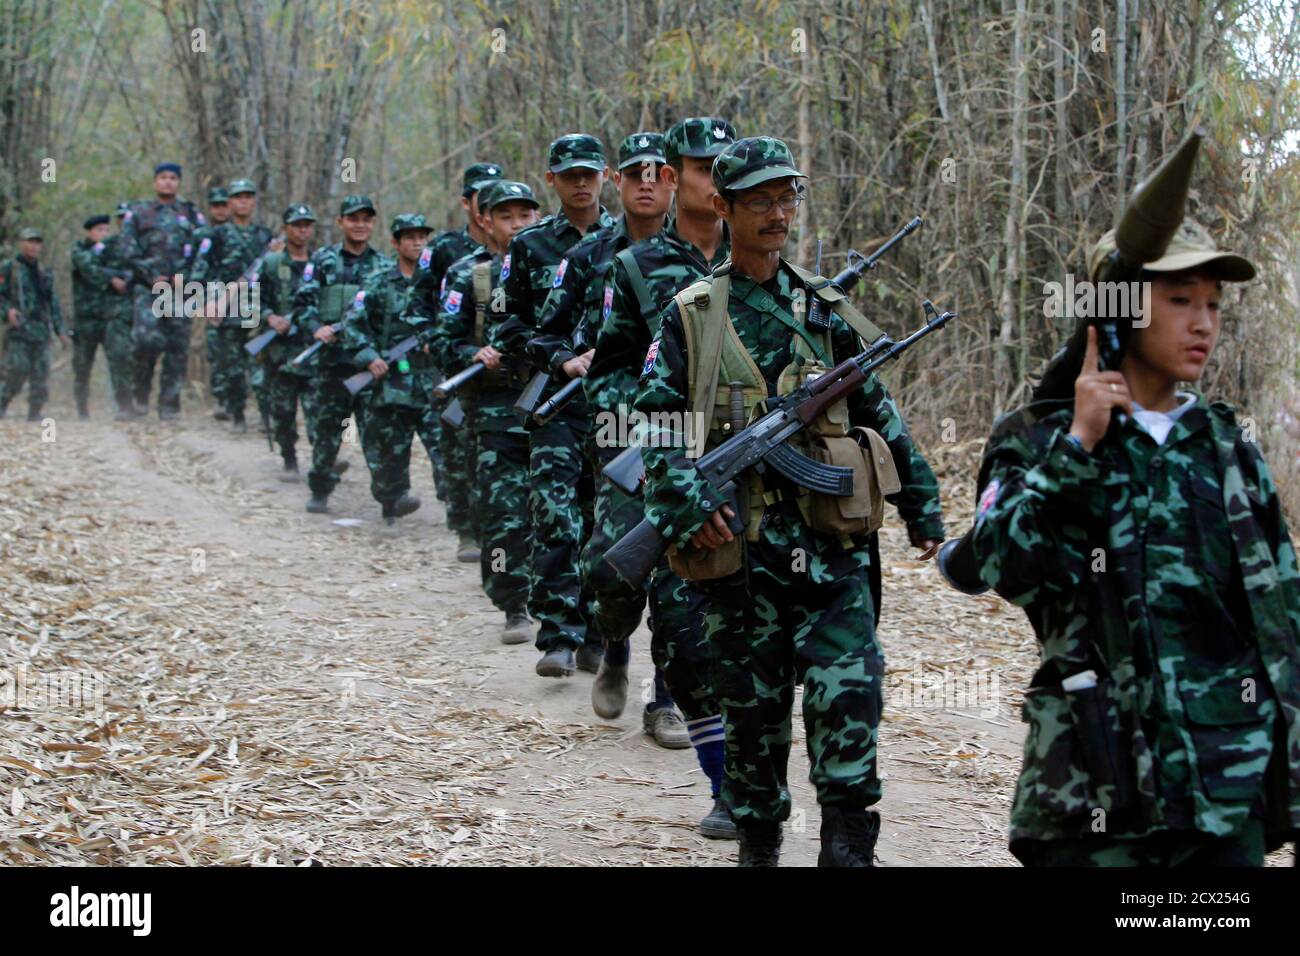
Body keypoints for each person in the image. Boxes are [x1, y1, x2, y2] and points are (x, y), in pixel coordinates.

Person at [635, 137, 944, 865]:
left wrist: (921, 505)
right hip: (741, 556)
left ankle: (846, 843)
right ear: (724, 207)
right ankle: (759, 842)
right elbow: (653, 421)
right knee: (754, 713)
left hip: (834, 553)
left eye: (787, 198)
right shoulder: (691, 315)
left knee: (850, 695)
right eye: (761, 201)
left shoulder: (823, 310)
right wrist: (683, 500)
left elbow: (880, 412)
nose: (779, 214)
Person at [968, 219, 1300, 866]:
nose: (1203, 323)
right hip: (1087, 793)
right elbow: (1004, 567)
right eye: (1180, 300)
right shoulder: (1035, 440)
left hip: (1223, 796)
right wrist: (1078, 448)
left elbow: (1282, 623)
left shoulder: (1229, 450)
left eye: (1212, 304)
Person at [584, 117, 738, 811]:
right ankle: (616, 645)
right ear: (677, 179)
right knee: (619, 573)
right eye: (702, 167)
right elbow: (609, 370)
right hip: (648, 452)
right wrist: (651, 434)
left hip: (733, 464)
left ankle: (709, 759)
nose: (717, 180)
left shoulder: (759, 259)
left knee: (696, 618)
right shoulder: (637, 268)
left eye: (726, 167)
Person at [529, 131, 693, 748]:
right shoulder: (592, 256)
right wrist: (574, 362)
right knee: (618, 558)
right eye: (635, 172)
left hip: (687, 430)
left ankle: (667, 701)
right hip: (618, 425)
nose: (647, 181)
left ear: (672, 182)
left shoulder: (706, 254)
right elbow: (542, 335)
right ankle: (616, 646)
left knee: (684, 566)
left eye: (659, 171)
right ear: (616, 182)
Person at [497, 134, 615, 678]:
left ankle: (598, 628)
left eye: (589, 173)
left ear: (604, 176)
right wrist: (563, 357)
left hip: (617, 403)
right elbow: (511, 325)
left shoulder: (632, 240)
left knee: (603, 520)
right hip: (557, 401)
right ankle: (558, 635)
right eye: (570, 175)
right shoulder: (531, 245)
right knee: (554, 514)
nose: (581, 183)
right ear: (552, 181)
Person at [430, 180, 541, 645]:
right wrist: (472, 354)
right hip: (495, 410)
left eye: (525, 215)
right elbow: (440, 341)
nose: (517, 225)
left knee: (557, 510)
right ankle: (513, 603)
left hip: (550, 406)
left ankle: (561, 606)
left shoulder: (559, 271)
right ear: (485, 222)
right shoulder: (468, 276)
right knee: (501, 512)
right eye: (506, 216)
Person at [406, 161, 506, 561]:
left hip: (505, 365)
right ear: (467, 203)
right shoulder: (444, 250)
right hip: (455, 362)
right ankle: (464, 525)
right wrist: (434, 341)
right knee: (457, 442)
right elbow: (417, 305)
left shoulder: (527, 243)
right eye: (482, 194)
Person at [292, 194, 387, 513]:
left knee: (375, 433)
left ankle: (389, 499)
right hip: (331, 365)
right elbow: (302, 305)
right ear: (341, 222)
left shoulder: (382, 265)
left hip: (368, 366)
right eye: (353, 219)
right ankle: (320, 489)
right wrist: (316, 327)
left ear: (373, 223)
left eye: (366, 219)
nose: (360, 225)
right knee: (327, 431)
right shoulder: (322, 261)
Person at [347, 213, 439, 524]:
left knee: (444, 444)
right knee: (390, 447)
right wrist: (369, 356)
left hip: (429, 379)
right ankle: (392, 501)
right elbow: (353, 324)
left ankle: (457, 508)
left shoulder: (438, 280)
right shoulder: (377, 282)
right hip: (391, 382)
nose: (417, 242)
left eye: (422, 237)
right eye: (410, 237)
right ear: (395, 243)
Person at [119, 162, 203, 420]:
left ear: (179, 182)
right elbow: (127, 251)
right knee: (146, 341)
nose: (168, 182)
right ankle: (140, 393)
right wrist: (150, 275)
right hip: (148, 289)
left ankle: (169, 405)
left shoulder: (191, 214)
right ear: (155, 182)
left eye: (173, 178)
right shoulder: (139, 213)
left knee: (177, 348)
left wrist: (185, 278)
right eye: (163, 178)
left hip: (180, 291)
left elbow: (203, 251)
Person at [191, 179, 275, 432]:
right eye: (238, 197)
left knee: (262, 366)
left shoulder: (264, 235)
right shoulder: (215, 236)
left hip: (259, 308)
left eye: (248, 197)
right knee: (233, 368)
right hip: (228, 309)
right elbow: (199, 273)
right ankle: (237, 414)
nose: (243, 201)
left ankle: (265, 415)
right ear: (230, 203)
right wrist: (208, 303)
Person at [254, 203, 319, 476]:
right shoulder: (270, 264)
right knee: (283, 410)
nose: (302, 230)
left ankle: (322, 459)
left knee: (318, 409)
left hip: (313, 348)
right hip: (280, 352)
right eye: (296, 225)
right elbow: (253, 299)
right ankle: (289, 458)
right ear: (285, 229)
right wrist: (270, 317)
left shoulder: (321, 263)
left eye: (307, 225)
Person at [0, 228, 68, 420]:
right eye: (29, 241)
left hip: (41, 330)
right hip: (19, 330)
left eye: (37, 242)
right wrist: (7, 311)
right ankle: (3, 401)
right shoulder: (9, 268)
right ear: (21, 243)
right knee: (18, 370)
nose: (33, 246)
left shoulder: (44, 272)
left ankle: (35, 412)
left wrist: (60, 330)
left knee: (41, 373)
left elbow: (52, 302)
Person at [70, 214, 133, 418]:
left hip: (110, 316)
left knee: (119, 359)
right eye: (99, 230)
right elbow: (89, 269)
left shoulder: (113, 250)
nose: (104, 234)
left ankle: (124, 406)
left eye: (106, 230)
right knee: (82, 365)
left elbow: (128, 270)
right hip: (86, 318)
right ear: (89, 232)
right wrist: (111, 277)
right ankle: (81, 408)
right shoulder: (80, 250)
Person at [196, 186, 233, 421]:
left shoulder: (245, 233)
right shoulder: (203, 236)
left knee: (242, 351)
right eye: (216, 206)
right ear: (210, 209)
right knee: (217, 348)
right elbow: (198, 269)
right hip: (214, 296)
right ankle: (222, 398)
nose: (220, 210)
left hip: (245, 298)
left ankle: (239, 398)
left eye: (224, 205)